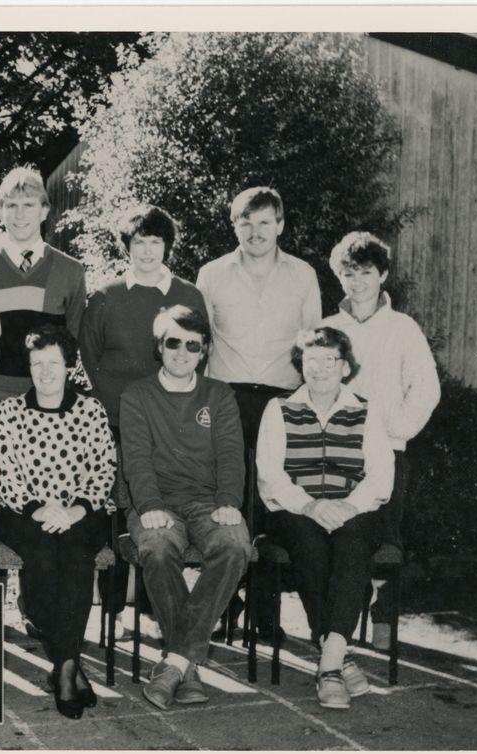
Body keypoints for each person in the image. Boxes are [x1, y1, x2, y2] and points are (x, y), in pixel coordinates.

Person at [196, 186, 321, 638]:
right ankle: (225, 605)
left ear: (280, 225)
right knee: (228, 499)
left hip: (282, 401)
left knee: (271, 504)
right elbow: (200, 343)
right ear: (234, 226)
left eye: (265, 221)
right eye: (245, 222)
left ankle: (265, 614)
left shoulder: (303, 275)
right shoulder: (211, 274)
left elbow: (314, 344)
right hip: (226, 398)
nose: (255, 231)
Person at [79, 205, 207, 639]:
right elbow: (89, 357)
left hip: (170, 424)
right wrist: (117, 407)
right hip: (114, 422)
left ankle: (153, 611)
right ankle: (113, 610)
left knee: (162, 511)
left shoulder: (189, 295)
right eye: (139, 243)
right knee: (115, 514)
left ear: (167, 246)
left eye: (156, 242)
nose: (148, 251)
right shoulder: (105, 296)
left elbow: (198, 355)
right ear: (127, 247)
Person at [119, 306, 251, 710]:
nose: (182, 352)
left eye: (192, 345)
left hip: (209, 501)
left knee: (235, 546)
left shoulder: (220, 395)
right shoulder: (137, 396)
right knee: (157, 548)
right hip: (157, 501)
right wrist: (150, 505)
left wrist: (228, 501)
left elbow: (231, 456)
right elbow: (136, 459)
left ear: (204, 351)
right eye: (173, 342)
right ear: (159, 347)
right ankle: (188, 667)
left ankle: (175, 662)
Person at [256, 326, 394, 710]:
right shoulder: (279, 408)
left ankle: (330, 661)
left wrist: (348, 506)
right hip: (295, 511)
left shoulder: (365, 410)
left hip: (354, 509)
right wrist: (311, 506)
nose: (319, 369)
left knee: (353, 544)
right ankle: (338, 658)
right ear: (301, 365)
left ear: (345, 367)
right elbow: (270, 475)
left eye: (329, 360)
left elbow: (381, 476)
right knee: (310, 544)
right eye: (311, 360)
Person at [0, 325, 116, 719]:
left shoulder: (91, 410)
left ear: (69, 367)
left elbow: (104, 469)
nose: (45, 372)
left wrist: (75, 510)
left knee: (76, 557)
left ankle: (63, 668)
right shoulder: (10, 410)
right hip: (23, 513)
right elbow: (4, 474)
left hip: (82, 512)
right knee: (43, 558)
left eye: (53, 363)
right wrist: (40, 509)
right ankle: (69, 665)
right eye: (37, 364)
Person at [321, 232, 440, 650]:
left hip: (388, 453)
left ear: (383, 275)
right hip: (338, 454)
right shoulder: (329, 328)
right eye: (349, 274)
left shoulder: (403, 328)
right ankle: (339, 623)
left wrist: (398, 430)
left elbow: (426, 388)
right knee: (344, 538)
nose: (357, 282)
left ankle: (384, 616)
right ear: (339, 278)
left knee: (386, 540)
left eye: (366, 273)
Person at [0, 167, 88, 435]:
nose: (20, 214)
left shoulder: (71, 271)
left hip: (50, 395)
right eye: (11, 205)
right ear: (0, 211)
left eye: (28, 205)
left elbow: (74, 336)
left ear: (44, 211)